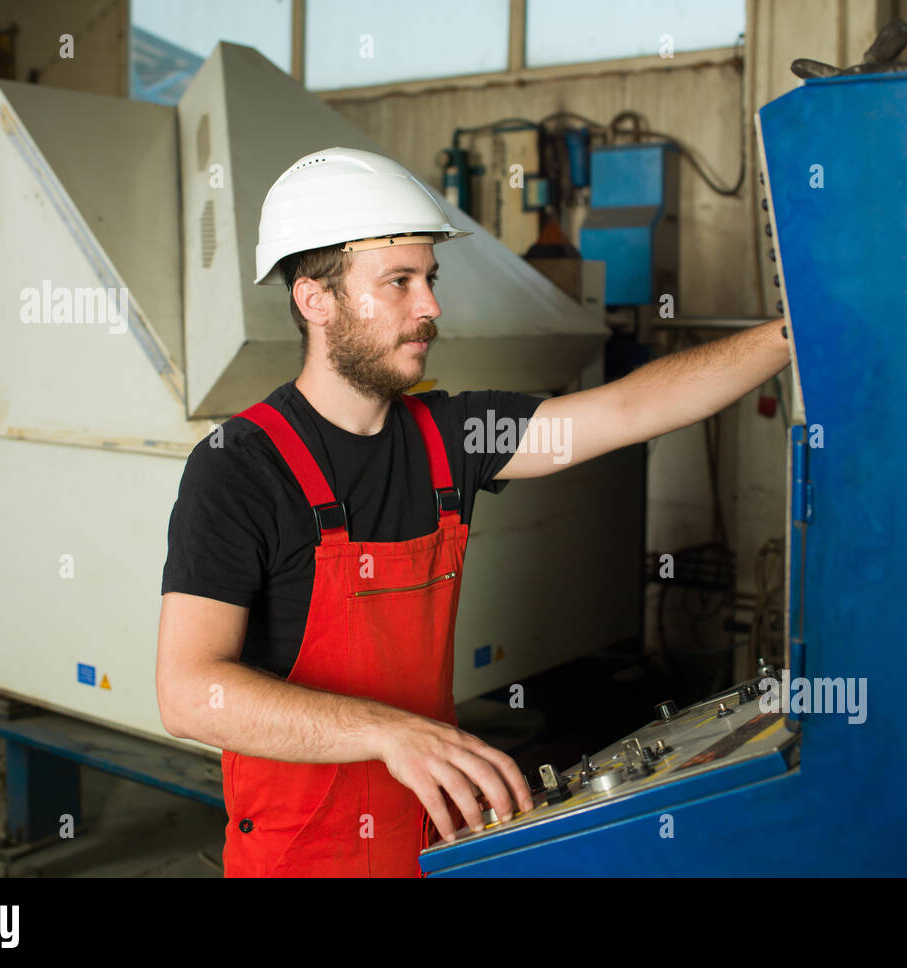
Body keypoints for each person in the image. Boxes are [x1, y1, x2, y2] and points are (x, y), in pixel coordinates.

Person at [156, 146, 790, 877]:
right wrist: (389, 733)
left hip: (435, 844)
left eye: (429, 280)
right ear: (315, 300)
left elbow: (631, 406)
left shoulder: (450, 438)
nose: (430, 307)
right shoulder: (239, 466)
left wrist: (791, 334)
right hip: (302, 857)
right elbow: (188, 692)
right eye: (398, 282)